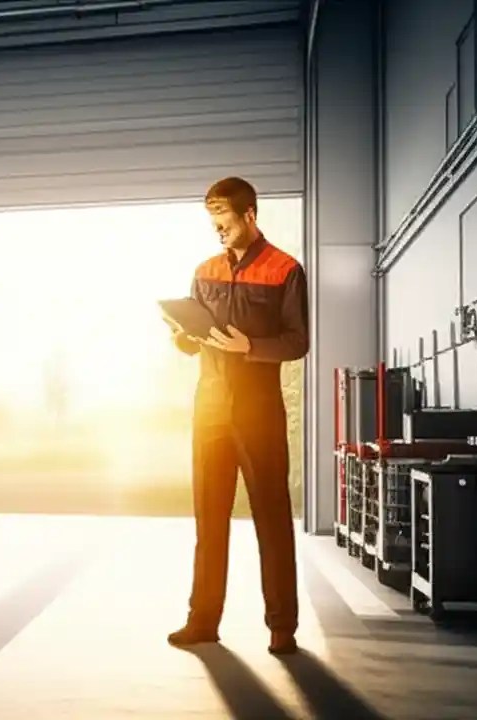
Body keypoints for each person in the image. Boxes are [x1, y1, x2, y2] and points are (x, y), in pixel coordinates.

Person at [164, 176, 308, 656]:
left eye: (223, 219)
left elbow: (297, 341)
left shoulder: (285, 270)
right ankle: (202, 621)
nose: (218, 229)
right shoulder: (204, 270)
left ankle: (282, 627)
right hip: (209, 409)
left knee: (272, 518)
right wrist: (181, 335)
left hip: (258, 412)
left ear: (250, 214)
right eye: (212, 221)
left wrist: (250, 347)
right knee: (209, 519)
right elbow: (192, 341)